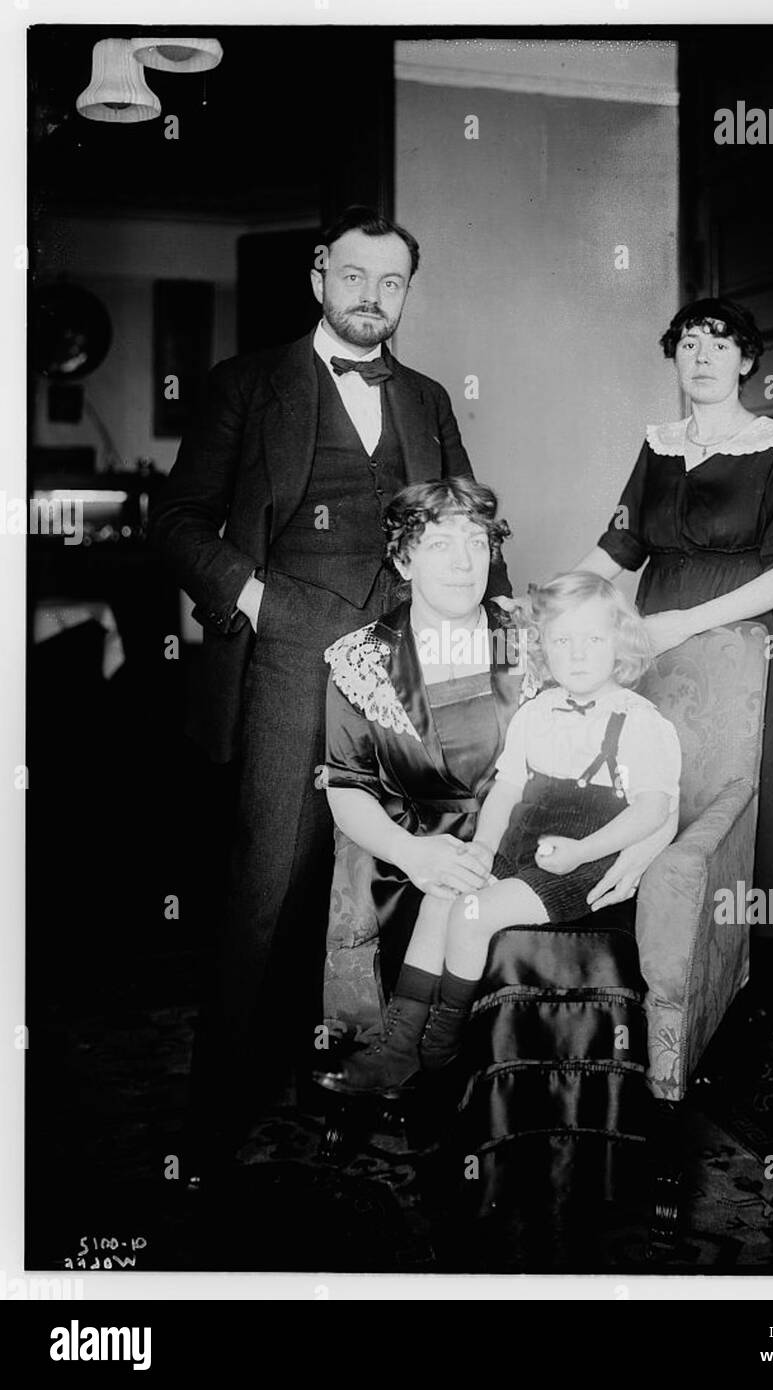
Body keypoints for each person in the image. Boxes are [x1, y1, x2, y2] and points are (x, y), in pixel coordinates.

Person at [149, 208, 509, 1171]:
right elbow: (177, 519)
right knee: (275, 877)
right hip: (288, 654)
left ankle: (403, 1082)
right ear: (318, 278)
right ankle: (224, 1100)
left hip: (410, 658)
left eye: (390, 283)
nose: (371, 298)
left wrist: (507, 645)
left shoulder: (427, 398)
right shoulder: (247, 383)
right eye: (353, 277)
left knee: (425, 862)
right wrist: (256, 597)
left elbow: (469, 521)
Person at [315, 570, 681, 1096]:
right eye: (562, 641)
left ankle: (442, 1045)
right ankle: (398, 1046)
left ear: (619, 645)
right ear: (544, 649)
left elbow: (651, 810)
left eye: (594, 640)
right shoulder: (535, 711)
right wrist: (482, 848)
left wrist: (584, 850)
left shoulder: (640, 720)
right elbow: (507, 791)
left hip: (586, 859)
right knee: (443, 893)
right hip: (523, 842)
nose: (577, 655)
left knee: (471, 913)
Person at [575, 296, 773, 896]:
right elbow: (621, 545)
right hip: (656, 640)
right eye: (688, 344)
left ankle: (745, 958)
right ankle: (663, 936)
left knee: (734, 792)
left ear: (744, 360)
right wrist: (559, 594)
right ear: (674, 360)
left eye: (719, 343)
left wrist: (684, 623)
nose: (701, 356)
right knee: (660, 783)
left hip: (742, 640)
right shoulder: (658, 446)